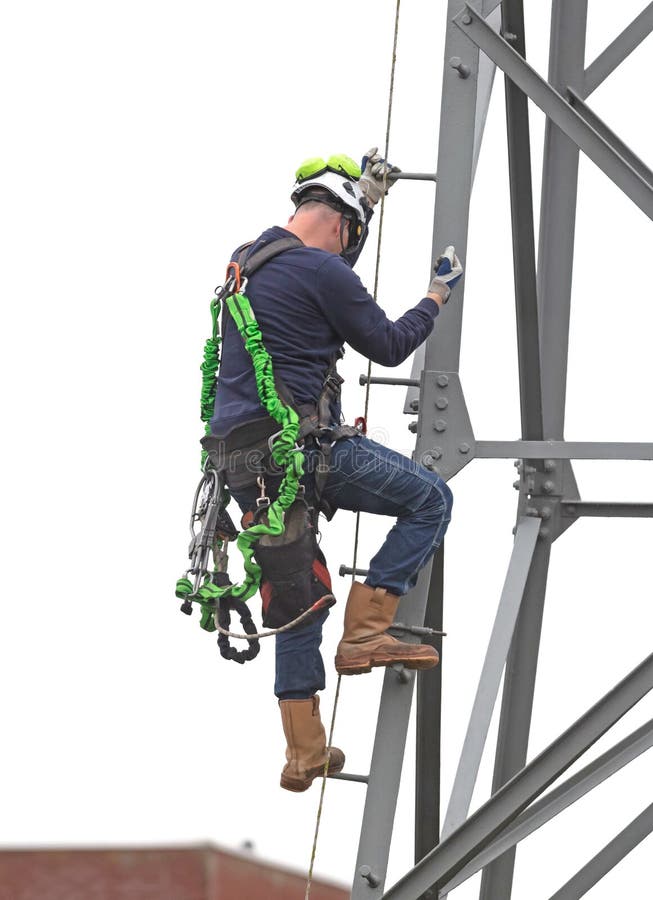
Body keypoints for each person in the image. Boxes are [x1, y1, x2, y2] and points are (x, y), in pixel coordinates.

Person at [210, 150, 460, 792]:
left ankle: (303, 753)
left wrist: (365, 201)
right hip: (303, 449)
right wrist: (435, 296)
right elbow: (387, 343)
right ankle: (367, 632)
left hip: (241, 462)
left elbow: (326, 271)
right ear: (340, 224)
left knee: (300, 598)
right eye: (351, 233)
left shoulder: (248, 261)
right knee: (430, 499)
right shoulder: (322, 272)